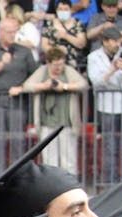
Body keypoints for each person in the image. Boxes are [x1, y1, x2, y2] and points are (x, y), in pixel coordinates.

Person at [0, 18, 36, 177]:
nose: (13, 35)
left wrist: (22, 87)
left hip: (17, 103)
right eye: (10, 32)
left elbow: (35, 75)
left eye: (15, 32)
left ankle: (17, 178)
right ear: (1, 32)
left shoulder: (24, 51)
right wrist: (1, 64)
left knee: (17, 142)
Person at [22, 46, 87, 176]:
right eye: (55, 65)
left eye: (61, 64)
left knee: (68, 159)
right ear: (48, 63)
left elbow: (83, 84)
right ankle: (51, 188)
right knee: (49, 160)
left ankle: (69, 187)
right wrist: (43, 86)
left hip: (66, 121)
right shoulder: (42, 71)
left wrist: (65, 86)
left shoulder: (68, 71)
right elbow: (27, 86)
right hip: (46, 121)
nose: (58, 68)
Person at [88, 26, 122, 183]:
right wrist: (111, 69)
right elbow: (96, 83)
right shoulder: (93, 57)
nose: (117, 44)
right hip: (107, 108)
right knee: (110, 147)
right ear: (105, 41)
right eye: (114, 41)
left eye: (119, 41)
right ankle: (110, 182)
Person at [42, 0, 87, 70]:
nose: (63, 11)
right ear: (56, 11)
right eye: (60, 9)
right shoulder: (49, 24)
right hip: (54, 60)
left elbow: (81, 44)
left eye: (66, 9)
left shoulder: (77, 23)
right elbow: (44, 45)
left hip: (73, 62)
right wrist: (57, 50)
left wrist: (65, 36)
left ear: (70, 10)